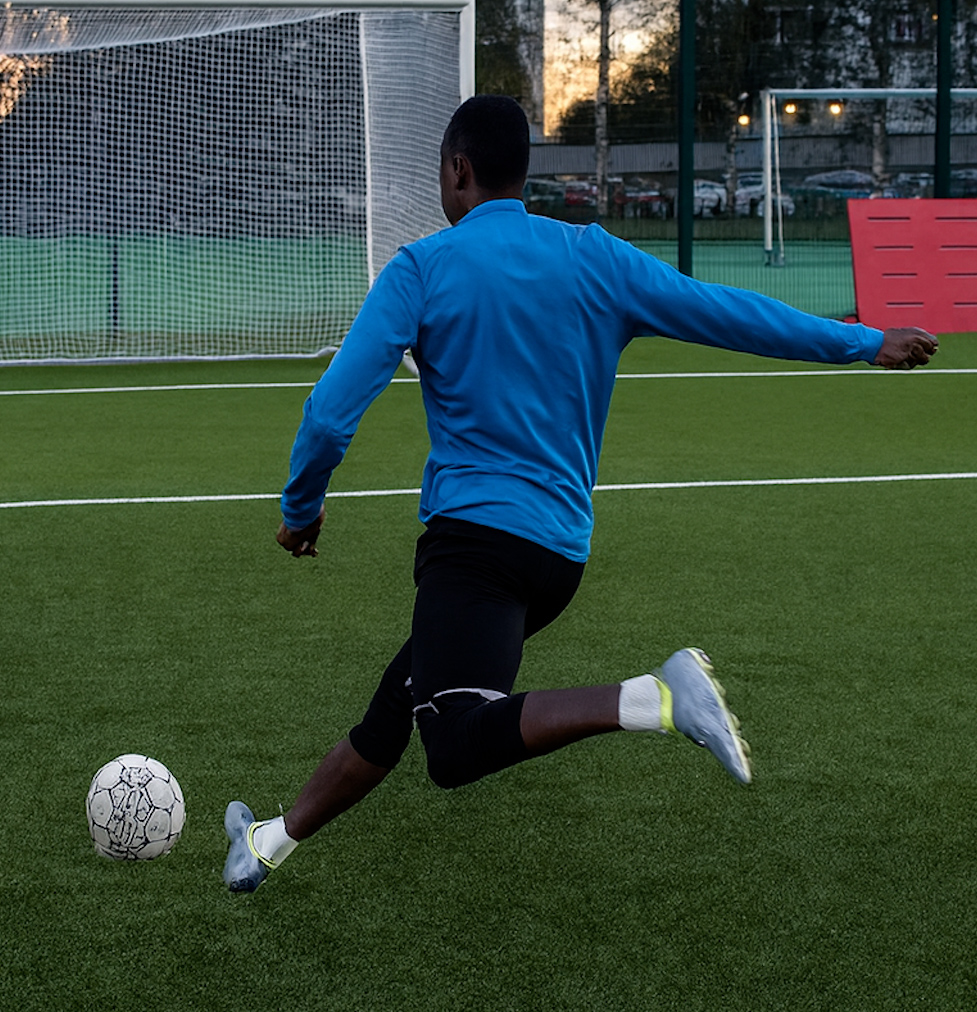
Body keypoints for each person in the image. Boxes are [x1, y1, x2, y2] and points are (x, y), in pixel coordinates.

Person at [223, 96, 938, 893]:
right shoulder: (594, 257)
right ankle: (265, 844)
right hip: (557, 560)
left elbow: (328, 416)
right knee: (399, 706)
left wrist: (300, 511)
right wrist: (865, 341)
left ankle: (656, 696)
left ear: (457, 170)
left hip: (474, 549)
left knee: (453, 745)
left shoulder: (423, 267)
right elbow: (731, 313)